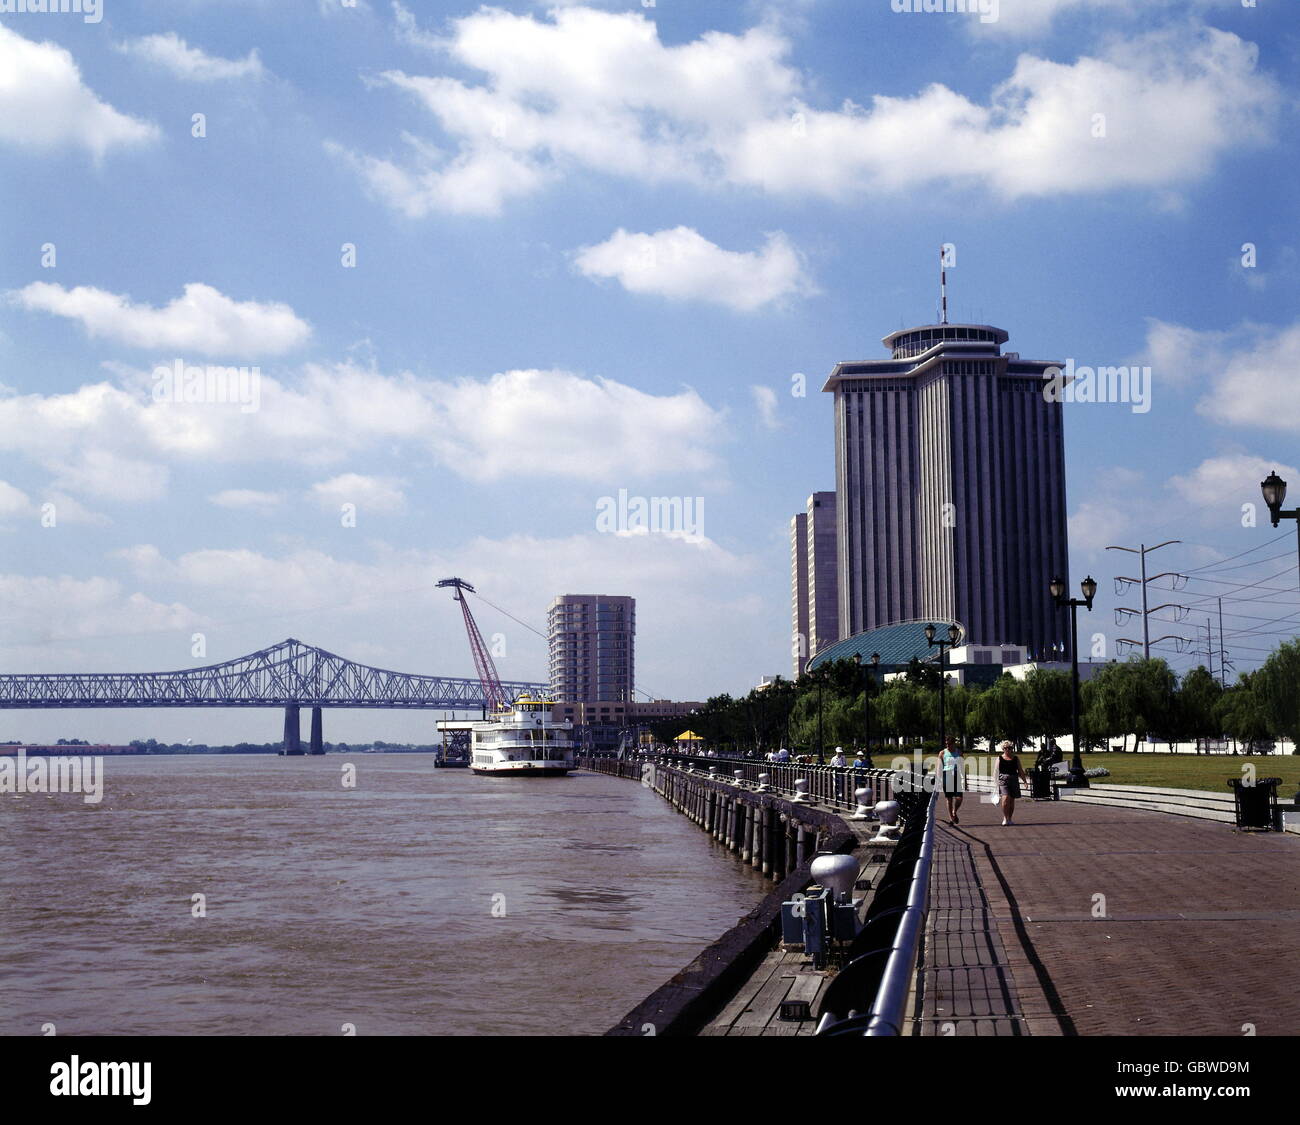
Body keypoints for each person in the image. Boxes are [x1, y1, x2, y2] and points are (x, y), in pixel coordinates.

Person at [995, 740, 1028, 826]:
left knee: (1011, 801)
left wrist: (1025, 781)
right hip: (1003, 780)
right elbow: (996, 772)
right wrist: (995, 783)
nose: (1008, 750)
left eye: (1010, 748)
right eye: (1006, 748)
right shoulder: (999, 758)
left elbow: (1020, 771)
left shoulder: (1015, 758)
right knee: (1005, 798)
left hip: (1013, 779)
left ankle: (1010, 818)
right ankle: (1005, 818)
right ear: (1003, 749)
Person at [939, 737, 965, 824]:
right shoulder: (942, 753)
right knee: (949, 799)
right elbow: (939, 767)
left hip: (956, 775)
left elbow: (962, 766)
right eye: (946, 744)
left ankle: (954, 811)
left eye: (949, 744)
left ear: (954, 744)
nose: (948, 746)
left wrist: (965, 779)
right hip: (947, 775)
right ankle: (951, 818)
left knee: (959, 798)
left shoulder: (959, 752)